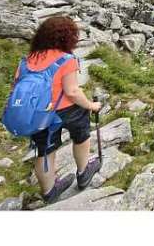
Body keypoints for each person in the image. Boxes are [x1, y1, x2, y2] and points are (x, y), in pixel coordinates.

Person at [20, 16, 102, 203]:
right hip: (66, 109)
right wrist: (91, 105)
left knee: (45, 151)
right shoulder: (66, 59)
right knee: (81, 136)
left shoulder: (28, 59)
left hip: (38, 113)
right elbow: (72, 91)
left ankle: (49, 191)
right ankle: (83, 172)